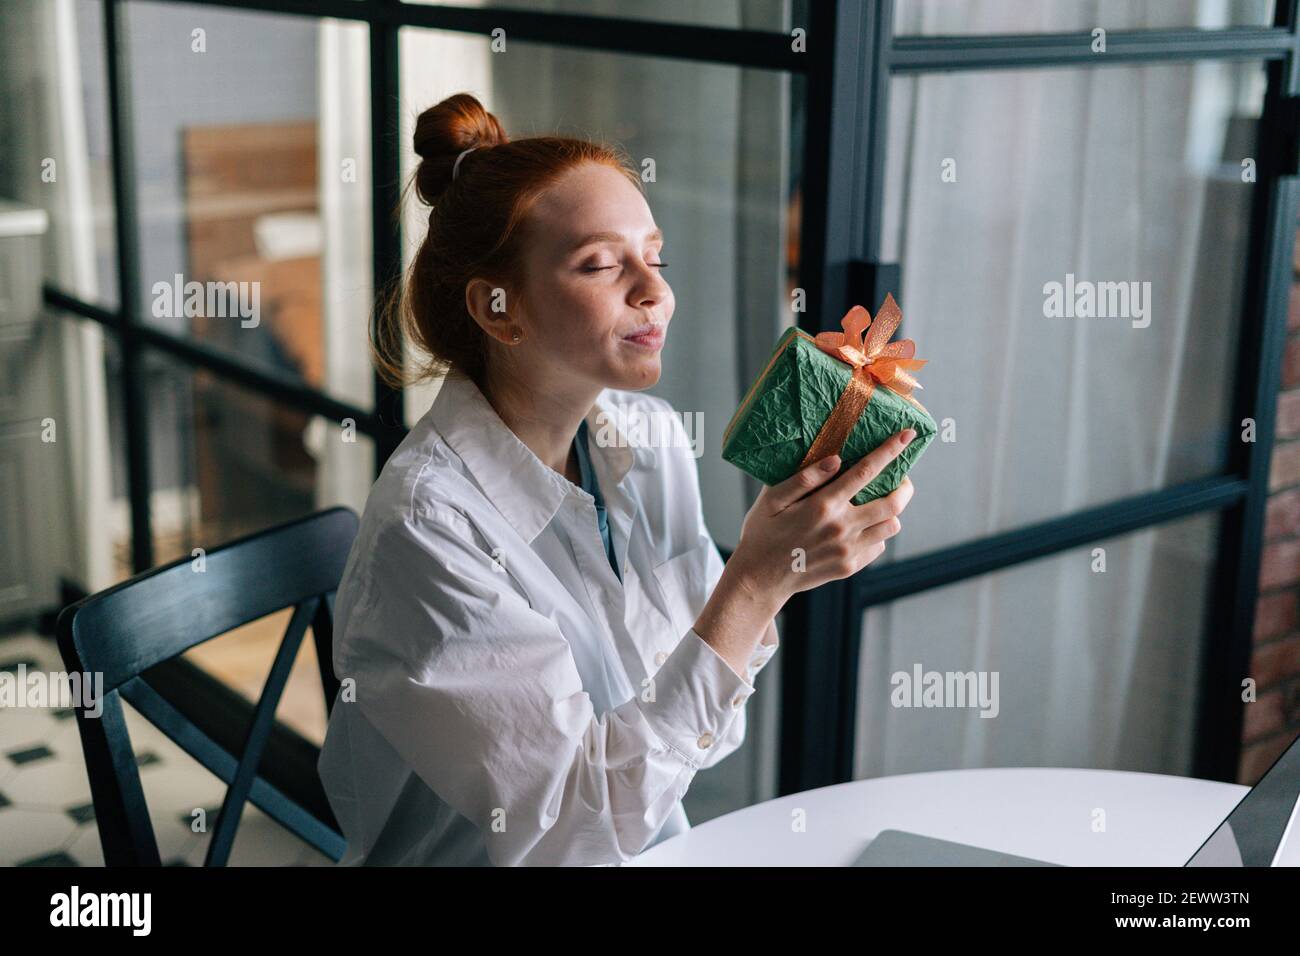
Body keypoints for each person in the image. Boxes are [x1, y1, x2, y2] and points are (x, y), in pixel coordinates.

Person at [316, 92, 917, 866]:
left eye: (654, 257)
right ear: (499, 311)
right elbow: (573, 833)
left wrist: (775, 567)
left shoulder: (649, 438)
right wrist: (757, 583)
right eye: (601, 264)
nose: (654, 289)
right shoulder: (428, 527)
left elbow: (707, 735)